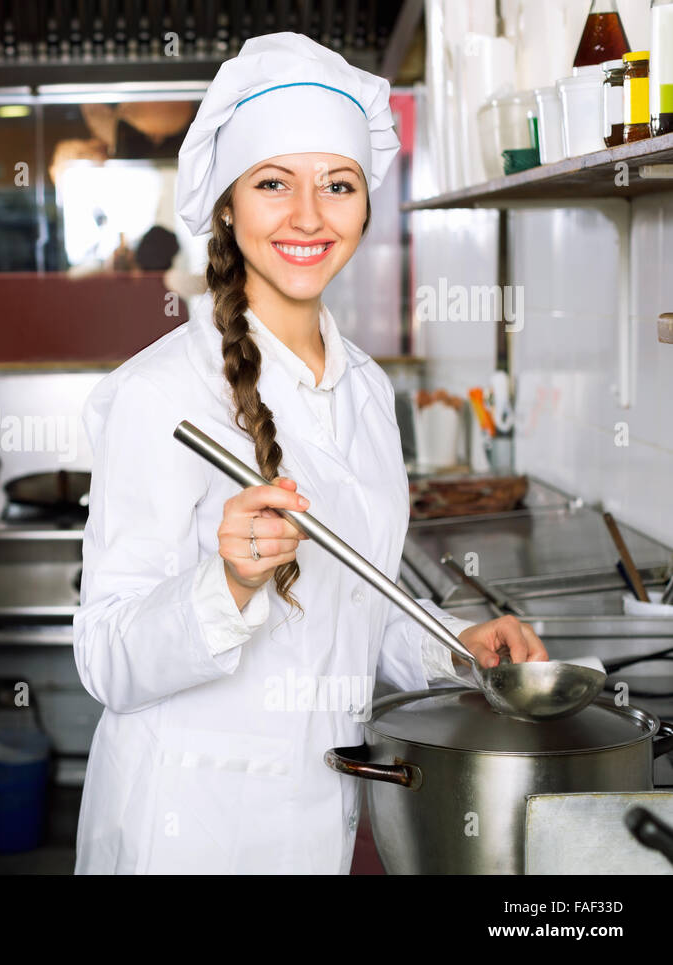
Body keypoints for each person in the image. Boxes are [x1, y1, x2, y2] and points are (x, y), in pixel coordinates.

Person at [72, 33, 549, 874]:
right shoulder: (160, 394)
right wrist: (227, 583)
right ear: (227, 206)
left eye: (337, 185)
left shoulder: (366, 389)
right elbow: (107, 659)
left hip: (319, 813)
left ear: (365, 204)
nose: (307, 216)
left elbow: (355, 599)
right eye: (272, 184)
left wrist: (454, 645)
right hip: (186, 823)